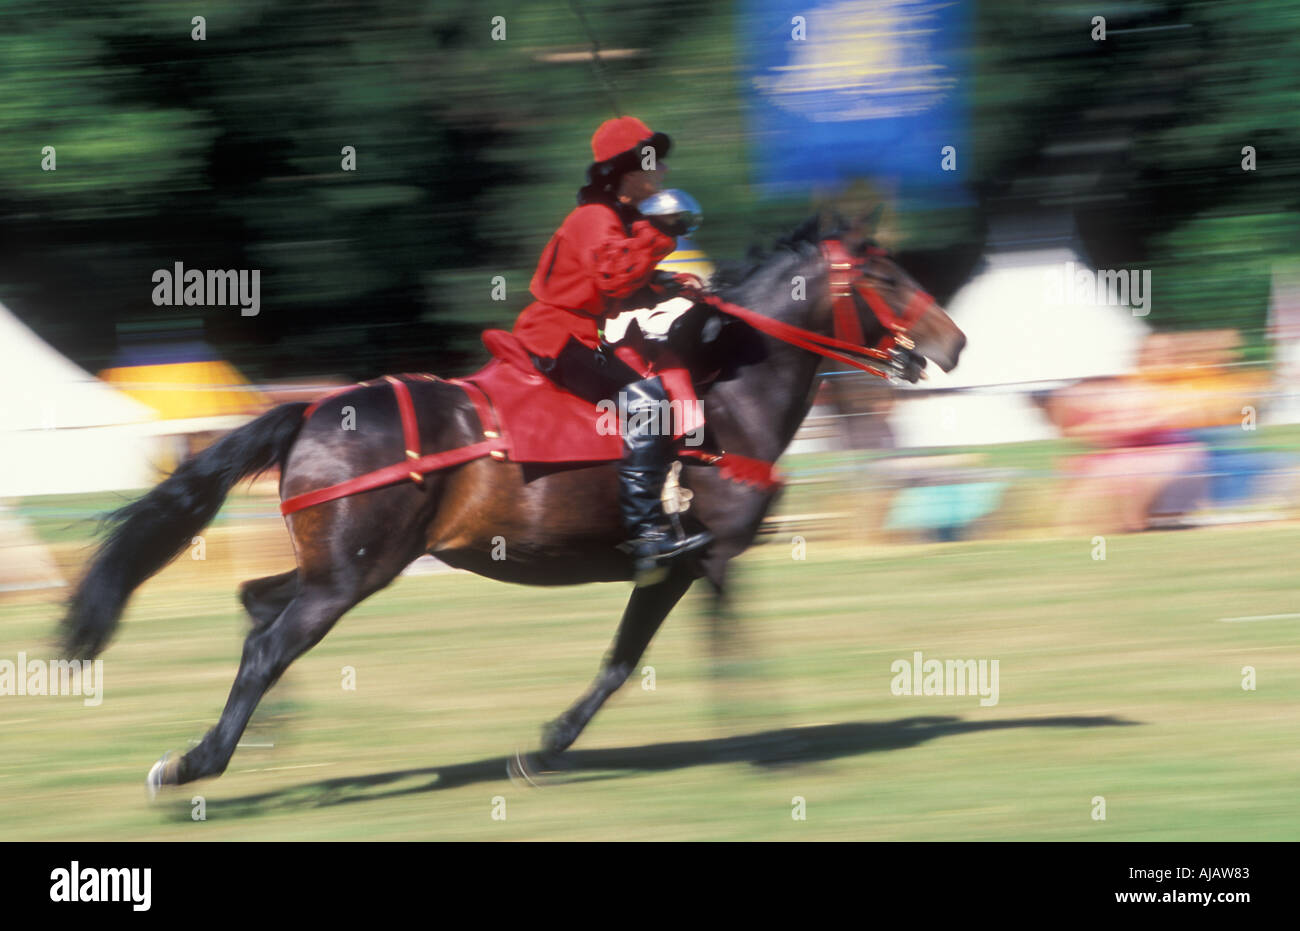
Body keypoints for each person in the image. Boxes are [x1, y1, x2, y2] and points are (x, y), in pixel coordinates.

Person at [512, 116, 712, 581]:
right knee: (649, 401)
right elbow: (613, 276)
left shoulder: (619, 222)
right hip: (555, 337)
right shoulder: (594, 219)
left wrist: (669, 284)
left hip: (580, 335)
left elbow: (625, 284)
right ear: (627, 173)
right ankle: (647, 534)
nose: (662, 172)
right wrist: (661, 232)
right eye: (652, 163)